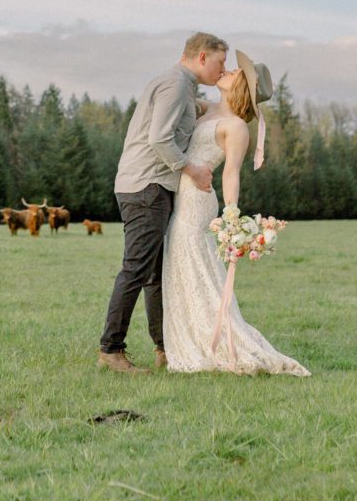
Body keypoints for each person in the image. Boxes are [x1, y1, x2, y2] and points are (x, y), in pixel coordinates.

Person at [160, 48, 309, 375]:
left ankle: (211, 340)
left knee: (196, 266)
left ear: (241, 87)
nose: (225, 71)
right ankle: (181, 338)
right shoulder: (211, 109)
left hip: (197, 201)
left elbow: (230, 173)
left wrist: (230, 216)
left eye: (233, 73)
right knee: (181, 266)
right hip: (181, 195)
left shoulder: (237, 127)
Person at [97, 32, 227, 373]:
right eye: (219, 62)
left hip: (149, 187)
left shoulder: (181, 87)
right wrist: (192, 169)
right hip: (147, 187)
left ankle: (164, 347)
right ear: (201, 57)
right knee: (138, 268)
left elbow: (202, 110)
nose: (221, 69)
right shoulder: (175, 85)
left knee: (155, 274)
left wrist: (236, 102)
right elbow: (160, 138)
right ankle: (111, 350)